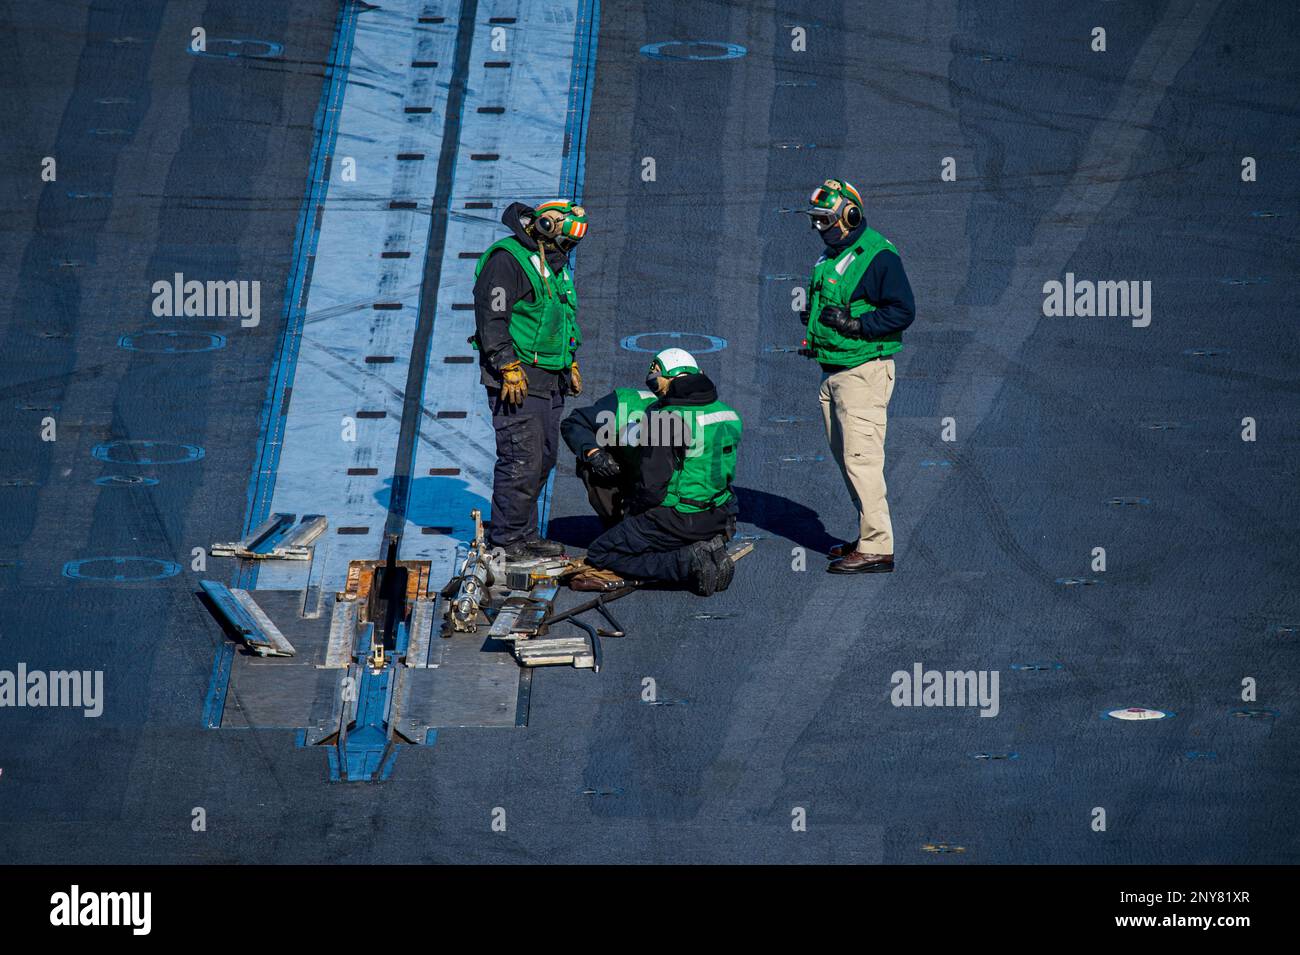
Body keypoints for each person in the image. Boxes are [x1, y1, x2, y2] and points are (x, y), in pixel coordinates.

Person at [800, 178, 915, 574]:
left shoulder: (878, 256)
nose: (819, 228)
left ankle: (877, 547)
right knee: (847, 460)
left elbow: (903, 311)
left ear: (850, 216)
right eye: (815, 221)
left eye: (825, 221)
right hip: (834, 371)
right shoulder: (832, 253)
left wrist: (855, 325)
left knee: (862, 460)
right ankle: (867, 534)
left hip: (862, 372)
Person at [471, 199, 588, 560]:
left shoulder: (554, 265)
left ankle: (524, 532)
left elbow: (563, 313)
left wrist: (570, 360)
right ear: (547, 228)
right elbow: (492, 317)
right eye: (563, 242)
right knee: (521, 458)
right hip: (517, 378)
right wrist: (505, 364)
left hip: (550, 378)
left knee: (544, 457)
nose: (565, 250)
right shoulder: (507, 260)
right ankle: (507, 541)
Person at [578, 349, 741, 596]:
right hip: (720, 515)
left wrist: (632, 515)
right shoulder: (727, 412)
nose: (656, 390)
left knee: (602, 552)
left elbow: (652, 488)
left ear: (673, 378)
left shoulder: (667, 419)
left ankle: (687, 563)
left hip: (679, 517)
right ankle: (704, 548)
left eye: (656, 381)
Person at [559, 370, 659, 528]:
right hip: (623, 467)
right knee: (589, 463)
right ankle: (616, 525)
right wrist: (595, 454)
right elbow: (573, 423)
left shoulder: (682, 429)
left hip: (654, 478)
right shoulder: (621, 406)